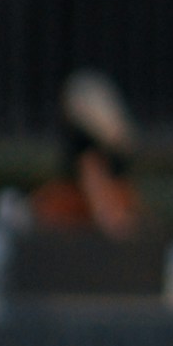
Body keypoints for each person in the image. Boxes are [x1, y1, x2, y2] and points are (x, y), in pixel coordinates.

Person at [27, 72, 146, 240]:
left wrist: (110, 217)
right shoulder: (116, 139)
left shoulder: (85, 143)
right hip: (111, 202)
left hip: (86, 207)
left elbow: (94, 180)